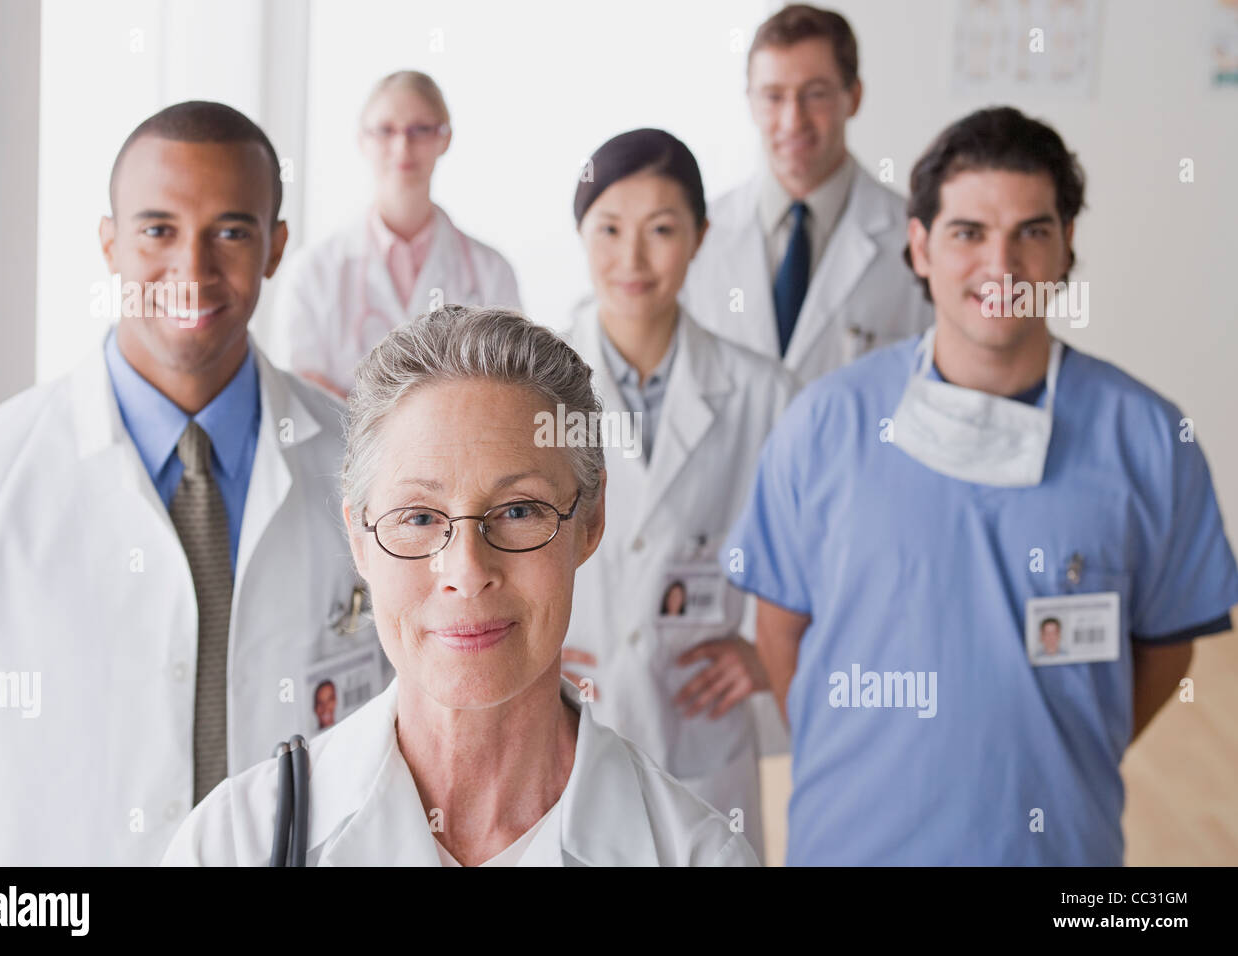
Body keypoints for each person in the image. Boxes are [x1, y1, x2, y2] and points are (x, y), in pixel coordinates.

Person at [722, 107, 1238, 865]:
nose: (1003, 267)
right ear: (921, 247)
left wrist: (1060, 751)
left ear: (1066, 250)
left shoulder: (1150, 439)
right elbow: (780, 631)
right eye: (968, 233)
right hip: (851, 842)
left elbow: (1166, 650)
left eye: (1033, 231)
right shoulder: (827, 423)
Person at [0, 101, 389, 866]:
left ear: (276, 247)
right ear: (109, 244)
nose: (193, 269)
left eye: (232, 231)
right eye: (157, 230)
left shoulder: (370, 467)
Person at [162, 306, 760, 866]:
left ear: (591, 520)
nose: (468, 572)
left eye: (520, 510)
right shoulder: (234, 845)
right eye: (419, 518)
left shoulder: (697, 854)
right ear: (360, 538)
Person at [561, 129, 796, 863]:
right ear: (581, 234)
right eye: (609, 229)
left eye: (661, 230)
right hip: (565, 713)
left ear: (700, 235)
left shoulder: (766, 393)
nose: (631, 260)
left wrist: (764, 654)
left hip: (697, 724)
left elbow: (823, 558)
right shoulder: (527, 384)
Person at [681, 3, 930, 387]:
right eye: (773, 96)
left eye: (815, 94)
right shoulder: (697, 235)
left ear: (855, 97)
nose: (792, 120)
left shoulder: (914, 240)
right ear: (750, 101)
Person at [273, 71, 522, 399]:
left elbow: (508, 387)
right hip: (342, 451)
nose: (403, 146)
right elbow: (301, 392)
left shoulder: (490, 271)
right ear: (362, 140)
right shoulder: (312, 271)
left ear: (444, 138)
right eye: (385, 130)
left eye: (420, 130)